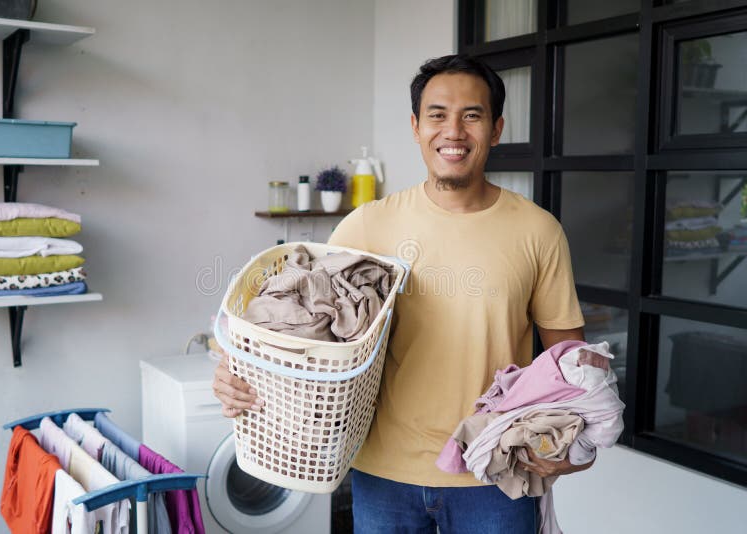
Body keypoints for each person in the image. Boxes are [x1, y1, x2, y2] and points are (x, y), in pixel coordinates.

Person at [213, 54, 595, 533]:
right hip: (383, 474)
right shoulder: (367, 225)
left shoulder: (539, 232)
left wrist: (574, 443)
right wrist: (235, 370)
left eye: (471, 115)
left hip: (494, 474)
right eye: (437, 115)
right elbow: (301, 328)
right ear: (416, 127)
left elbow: (568, 361)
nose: (453, 131)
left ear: (496, 129)